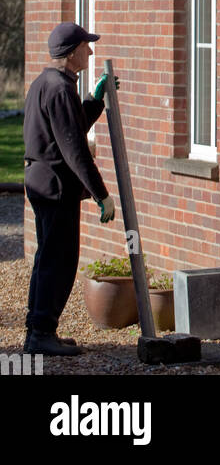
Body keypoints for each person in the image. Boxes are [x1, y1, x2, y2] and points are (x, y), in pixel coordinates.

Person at [23, 23, 117, 356]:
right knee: (59, 261)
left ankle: (38, 330)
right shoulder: (60, 89)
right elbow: (75, 149)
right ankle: (41, 334)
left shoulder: (44, 83)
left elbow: (68, 128)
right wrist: (102, 195)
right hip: (55, 187)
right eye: (85, 46)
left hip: (41, 182)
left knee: (47, 258)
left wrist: (94, 100)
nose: (89, 52)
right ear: (72, 52)